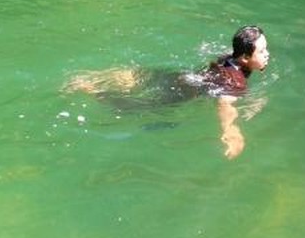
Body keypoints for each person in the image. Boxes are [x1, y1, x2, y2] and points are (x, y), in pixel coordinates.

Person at [64, 25, 270, 159]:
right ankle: (89, 88)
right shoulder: (237, 82)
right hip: (181, 93)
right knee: (133, 107)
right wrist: (231, 131)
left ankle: (92, 77)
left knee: (139, 76)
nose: (267, 55)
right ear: (244, 58)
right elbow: (226, 103)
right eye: (262, 52)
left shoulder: (229, 57)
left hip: (181, 76)